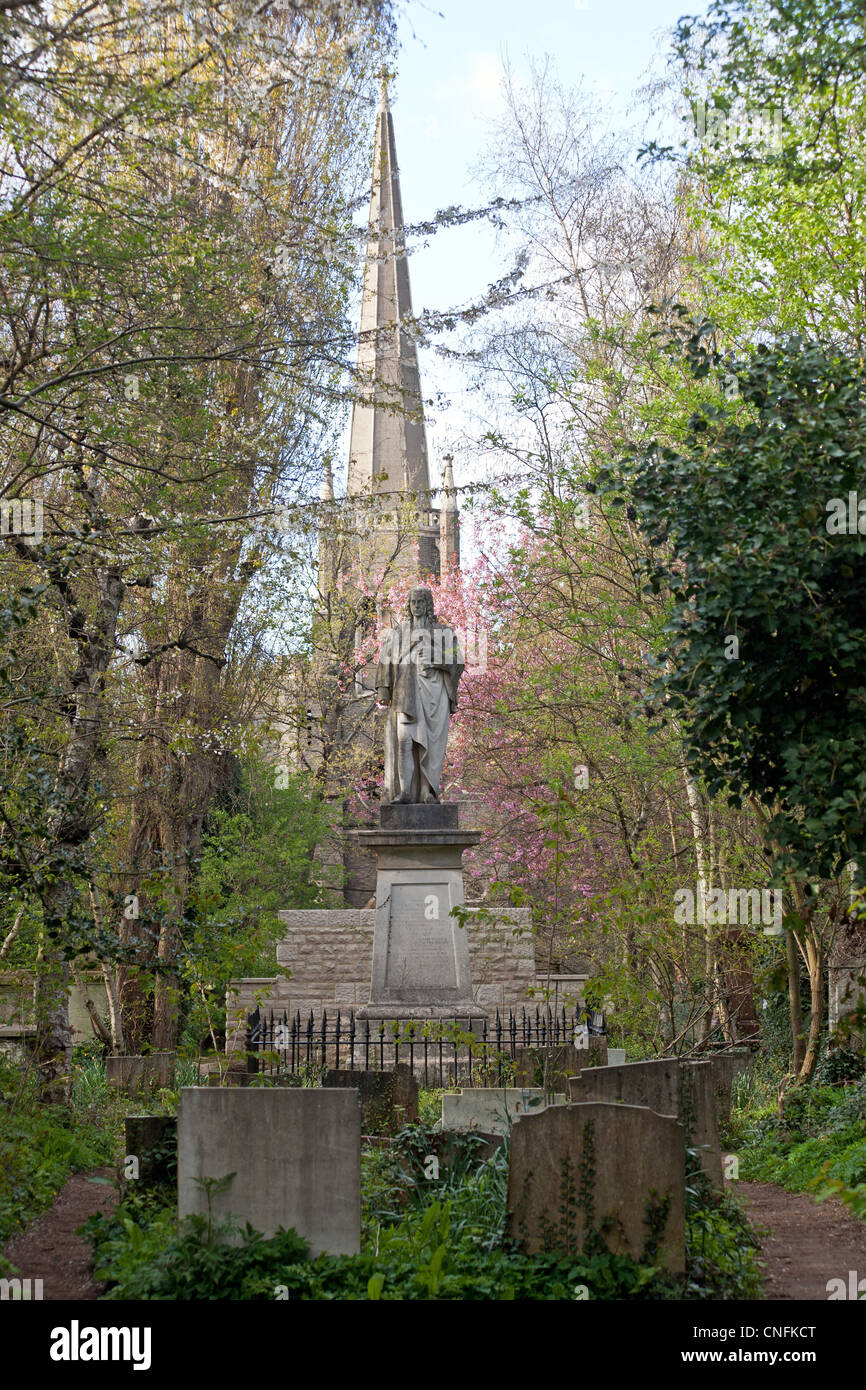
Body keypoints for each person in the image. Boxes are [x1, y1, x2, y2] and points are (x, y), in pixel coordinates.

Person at [375, 587, 463, 803]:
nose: (416, 606)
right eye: (413, 602)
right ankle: (405, 792)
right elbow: (385, 658)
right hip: (406, 691)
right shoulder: (400, 632)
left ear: (428, 605)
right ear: (409, 605)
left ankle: (426, 792)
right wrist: (384, 688)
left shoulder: (443, 632)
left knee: (429, 744)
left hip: (434, 694)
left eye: (421, 602)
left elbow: (457, 661)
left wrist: (435, 658)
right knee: (404, 740)